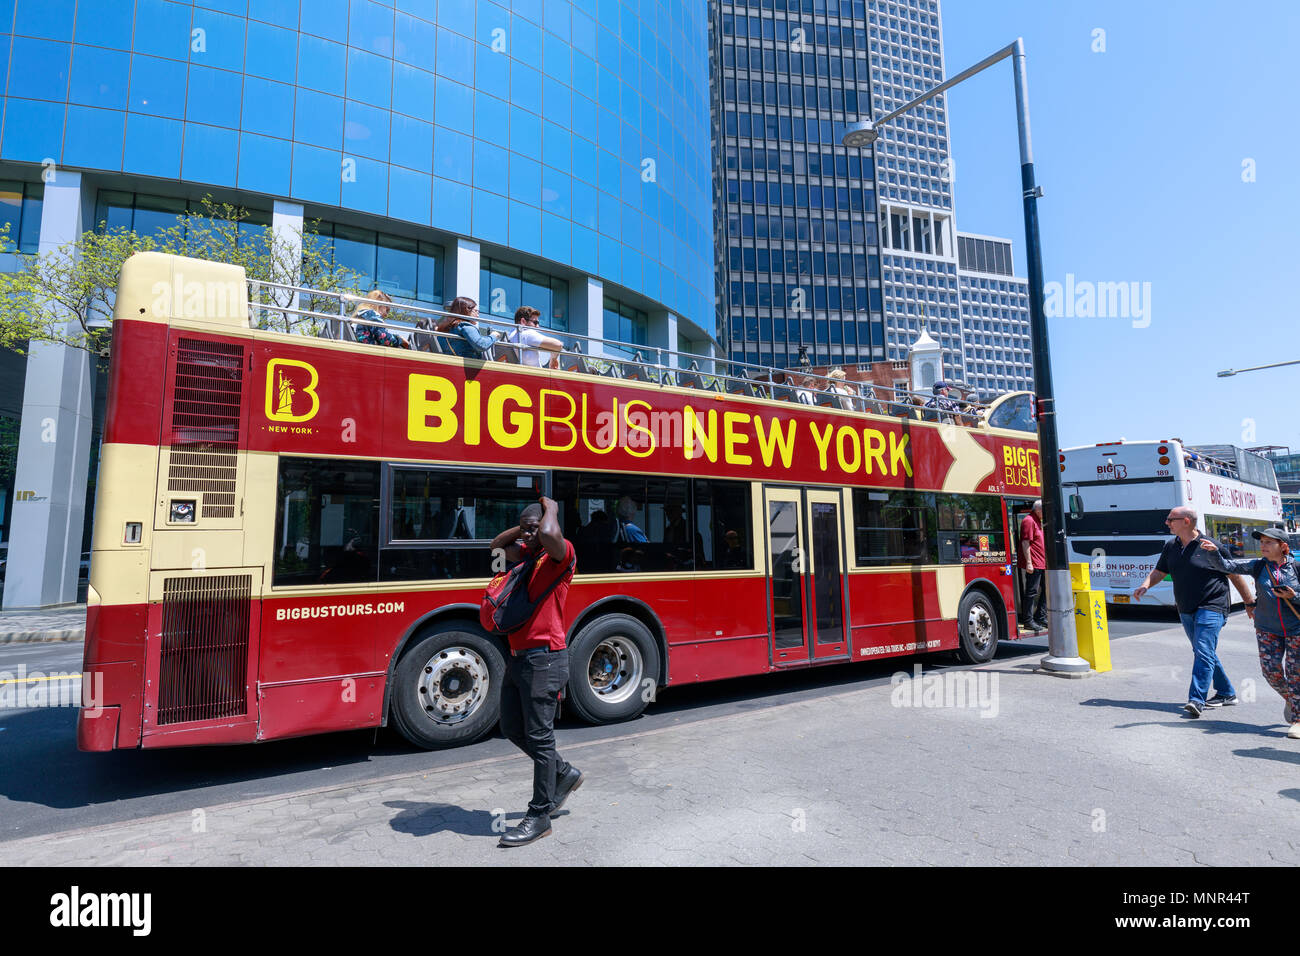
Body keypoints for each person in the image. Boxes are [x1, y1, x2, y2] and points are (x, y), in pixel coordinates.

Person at [487, 497, 583, 847]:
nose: (528, 534)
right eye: (525, 528)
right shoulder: (528, 556)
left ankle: (540, 815)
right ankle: (562, 773)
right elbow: (496, 546)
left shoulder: (561, 555)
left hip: (545, 658)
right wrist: (525, 528)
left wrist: (550, 507)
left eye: (534, 527)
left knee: (541, 739)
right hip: (519, 658)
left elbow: (547, 531)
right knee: (512, 727)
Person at [1133, 506, 1254, 718]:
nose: (1167, 523)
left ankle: (1196, 700)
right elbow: (1160, 571)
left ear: (1186, 521)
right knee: (1203, 652)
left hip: (1212, 606)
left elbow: (1234, 576)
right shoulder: (1171, 546)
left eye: (1171, 519)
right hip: (1186, 607)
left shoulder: (1211, 546)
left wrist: (1249, 602)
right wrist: (1145, 586)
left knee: (1203, 650)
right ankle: (1226, 692)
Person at [1194, 528, 1300, 739]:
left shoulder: (1296, 568)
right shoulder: (1258, 565)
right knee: (1270, 671)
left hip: (1296, 628)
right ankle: (1292, 699)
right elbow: (1227, 566)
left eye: (1270, 542)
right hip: (1266, 628)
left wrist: (1294, 595)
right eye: (1262, 541)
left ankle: (1298, 719)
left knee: (1296, 675)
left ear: (1283, 546)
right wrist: (1214, 552)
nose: (1263, 545)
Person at [432, 296, 499, 359]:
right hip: (468, 366)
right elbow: (481, 345)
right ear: (466, 311)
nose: (478, 315)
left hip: (451, 364)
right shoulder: (465, 326)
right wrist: (493, 336)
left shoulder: (445, 328)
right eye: (475, 311)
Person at [1017, 500, 1048, 631]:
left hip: (1041, 563)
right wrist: (1029, 563)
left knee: (1047, 590)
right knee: (1031, 592)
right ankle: (1028, 621)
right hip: (1034, 564)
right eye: (1043, 510)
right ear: (1037, 510)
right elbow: (1025, 543)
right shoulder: (1029, 521)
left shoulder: (1037, 521)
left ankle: (1040, 616)